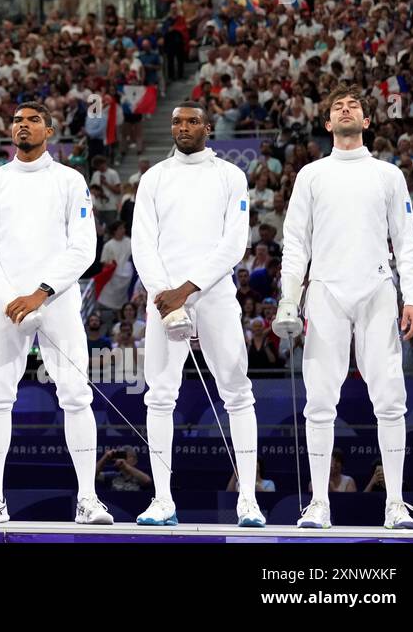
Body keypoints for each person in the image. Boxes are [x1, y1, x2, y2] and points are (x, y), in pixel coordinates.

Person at [275, 86, 413, 529]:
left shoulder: (387, 175)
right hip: (325, 291)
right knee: (320, 401)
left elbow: (407, 241)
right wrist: (289, 299)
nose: (345, 110)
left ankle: (395, 503)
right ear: (327, 123)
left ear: (366, 121)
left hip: (377, 289)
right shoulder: (311, 174)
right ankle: (319, 503)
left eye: (353, 106)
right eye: (337, 107)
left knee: (391, 400)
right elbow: (295, 242)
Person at [0, 102, 113, 526]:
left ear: (49, 130)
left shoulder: (69, 180)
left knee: (76, 394)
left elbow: (83, 247)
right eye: (17, 121)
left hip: (57, 301)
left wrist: (40, 292)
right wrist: (10, 297)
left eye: (32, 121)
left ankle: (88, 500)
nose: (23, 126)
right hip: (6, 304)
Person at [130, 103, 265, 527]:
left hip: (215, 295)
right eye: (176, 121)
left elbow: (234, 244)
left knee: (237, 393)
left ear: (208, 127)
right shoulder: (154, 178)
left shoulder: (230, 175)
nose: (183, 127)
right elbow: (142, 243)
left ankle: (248, 500)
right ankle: (162, 501)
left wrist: (186, 290)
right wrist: (164, 294)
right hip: (163, 298)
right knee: (159, 395)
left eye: (192, 121)